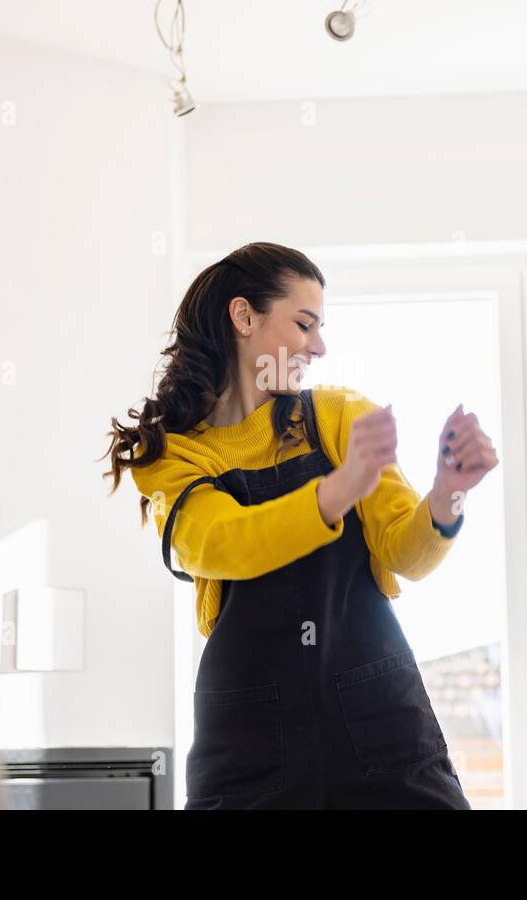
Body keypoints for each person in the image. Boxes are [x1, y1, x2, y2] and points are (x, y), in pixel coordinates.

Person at [104, 241, 499, 808]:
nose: (320, 346)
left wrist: (448, 494)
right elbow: (219, 543)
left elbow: (405, 554)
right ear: (244, 317)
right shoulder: (173, 454)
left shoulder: (339, 416)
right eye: (304, 323)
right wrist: (338, 491)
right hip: (248, 732)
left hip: (377, 710)